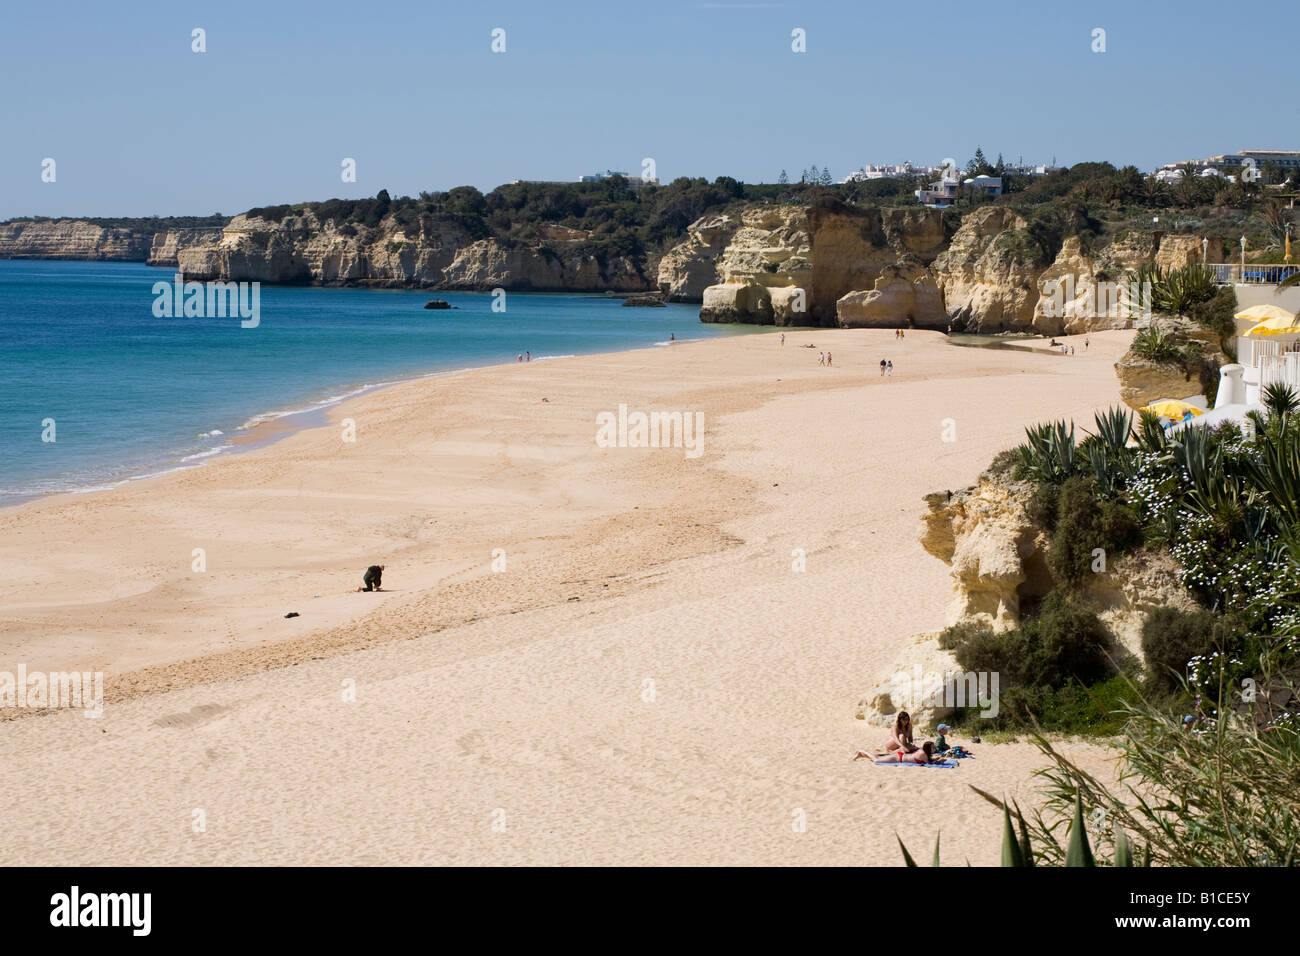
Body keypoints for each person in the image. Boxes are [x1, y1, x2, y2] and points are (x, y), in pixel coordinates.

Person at [861, 742, 943, 765]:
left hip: (900, 756)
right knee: (876, 761)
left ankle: (863, 755)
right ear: (928, 748)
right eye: (933, 748)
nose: (934, 749)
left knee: (877, 759)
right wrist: (938, 760)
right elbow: (930, 763)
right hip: (898, 758)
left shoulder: (924, 753)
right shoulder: (923, 754)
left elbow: (929, 759)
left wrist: (938, 758)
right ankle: (863, 752)